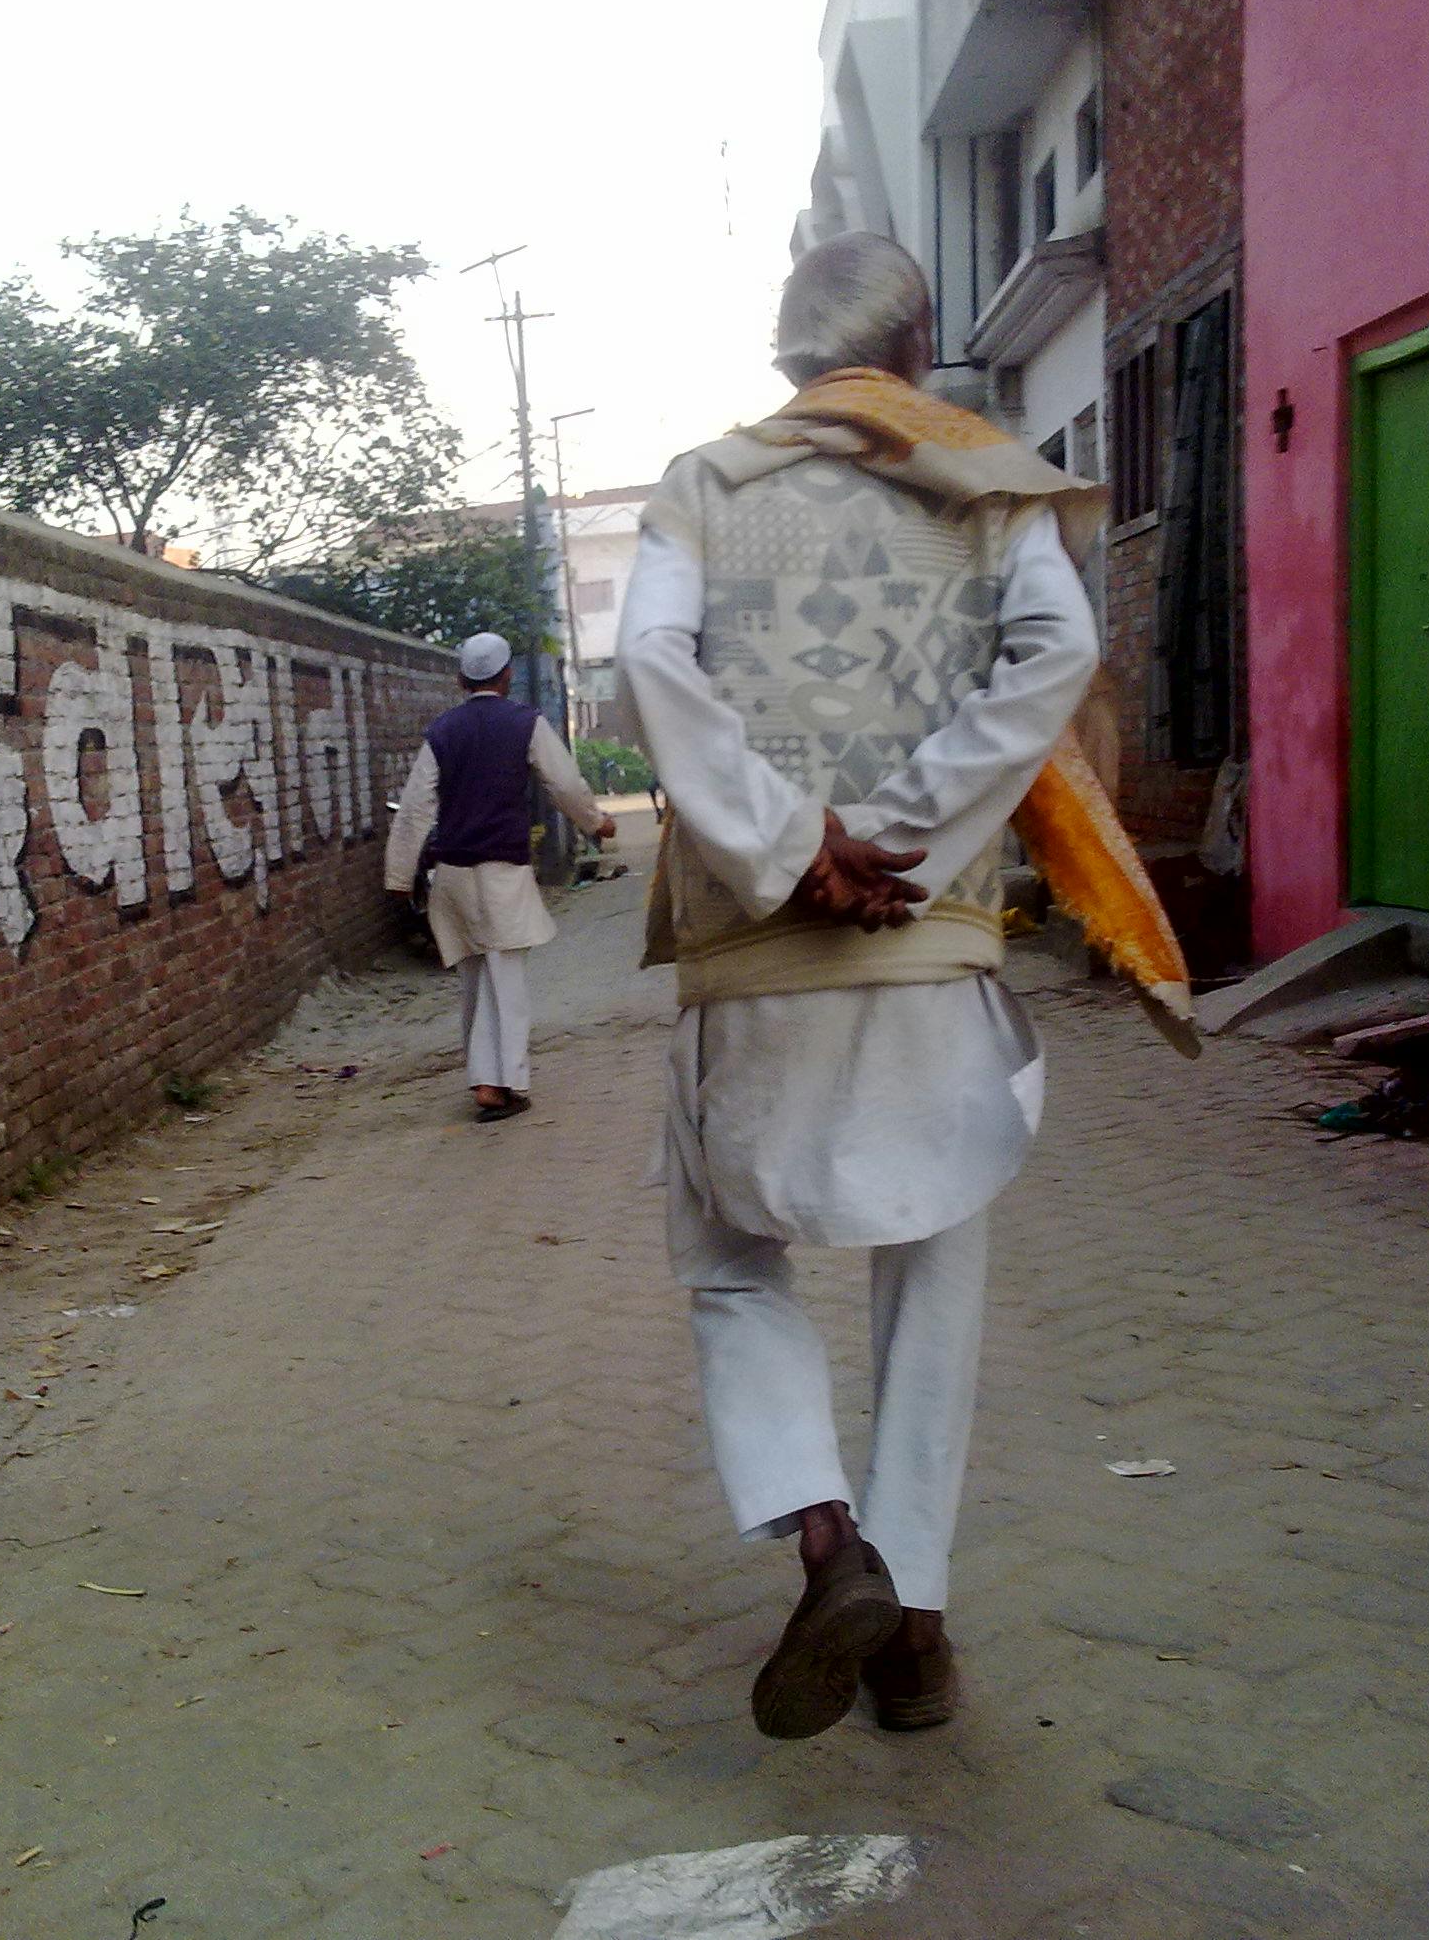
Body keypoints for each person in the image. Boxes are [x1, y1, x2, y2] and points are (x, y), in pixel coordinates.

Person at [620, 231, 1105, 1737]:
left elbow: (651, 661)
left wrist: (789, 847)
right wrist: (906, 836)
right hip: (930, 935)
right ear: (918, 341)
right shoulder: (987, 480)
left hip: (754, 948)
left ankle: (831, 1547)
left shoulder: (704, 485)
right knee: (935, 1273)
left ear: (788, 357)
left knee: (727, 1253)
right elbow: (1059, 648)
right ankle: (918, 1635)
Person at [384, 632, 614, 1123]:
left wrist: (399, 876)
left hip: (451, 874)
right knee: (506, 981)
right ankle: (501, 1083)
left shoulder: (442, 731)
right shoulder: (525, 723)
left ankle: (482, 1074)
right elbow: (564, 783)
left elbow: (415, 808)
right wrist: (596, 823)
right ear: (507, 675)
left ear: (460, 679)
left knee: (473, 979)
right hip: (501, 872)